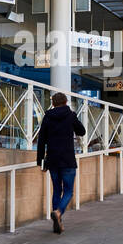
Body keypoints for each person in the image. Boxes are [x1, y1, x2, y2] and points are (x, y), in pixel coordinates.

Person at [35, 92, 86, 234]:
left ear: (53, 103)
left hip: (53, 160)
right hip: (68, 160)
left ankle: (58, 223)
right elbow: (82, 131)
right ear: (66, 102)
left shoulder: (47, 117)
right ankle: (58, 212)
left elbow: (41, 140)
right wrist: (73, 120)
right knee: (68, 191)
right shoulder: (70, 115)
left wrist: (40, 161)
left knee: (57, 190)